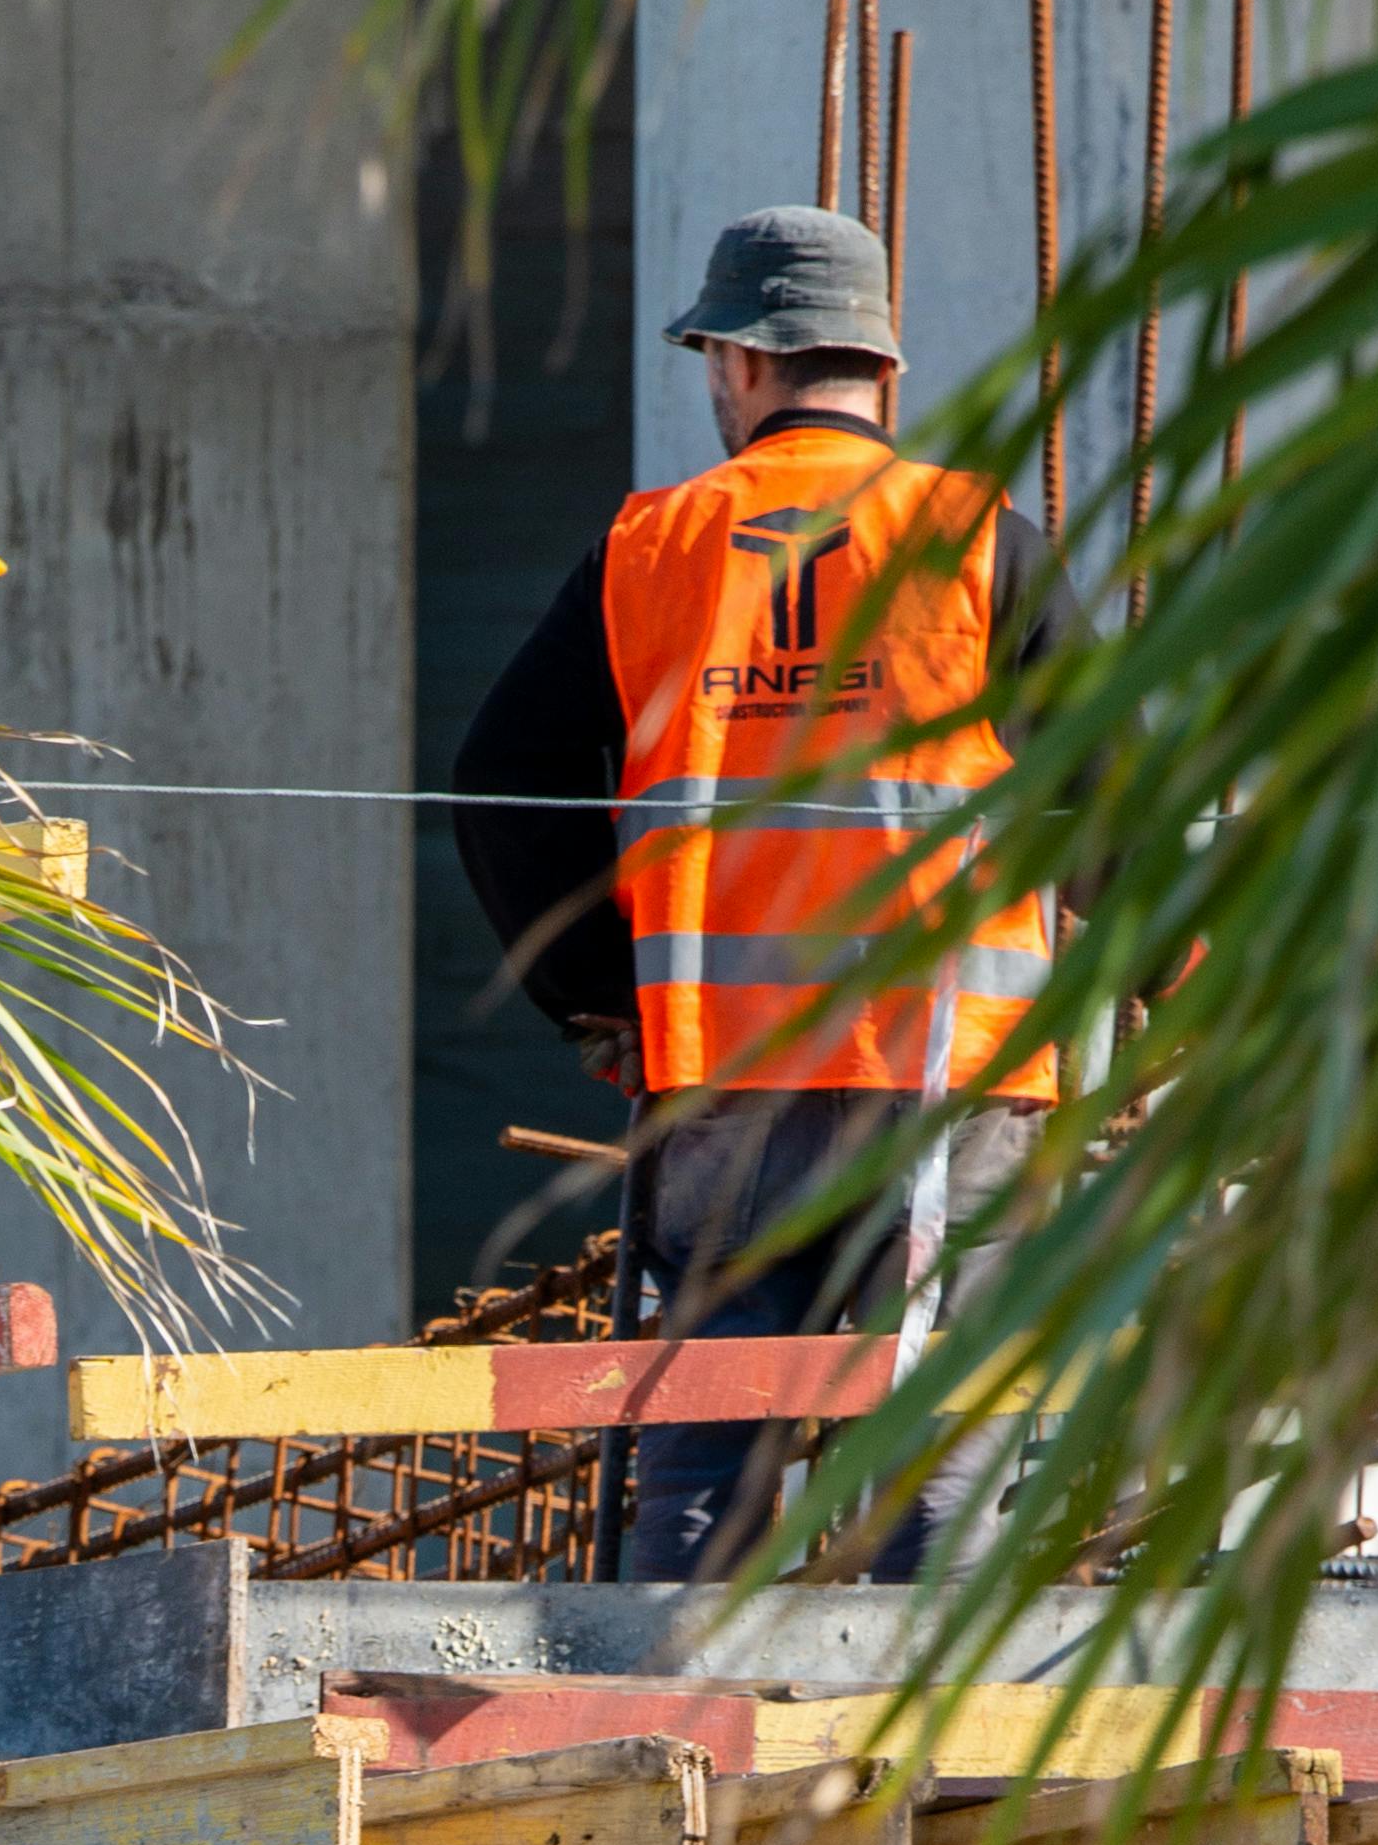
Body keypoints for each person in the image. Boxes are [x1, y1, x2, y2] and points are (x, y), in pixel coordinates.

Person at [449, 205, 1071, 1582]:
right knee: (938, 1446)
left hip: (726, 1083)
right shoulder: (982, 541)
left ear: (736, 360)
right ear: (882, 370)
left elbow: (500, 780)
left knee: (708, 1454)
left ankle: (675, 1703)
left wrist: (597, 999)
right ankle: (930, 1717)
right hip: (949, 1079)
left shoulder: (650, 548)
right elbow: (1109, 789)